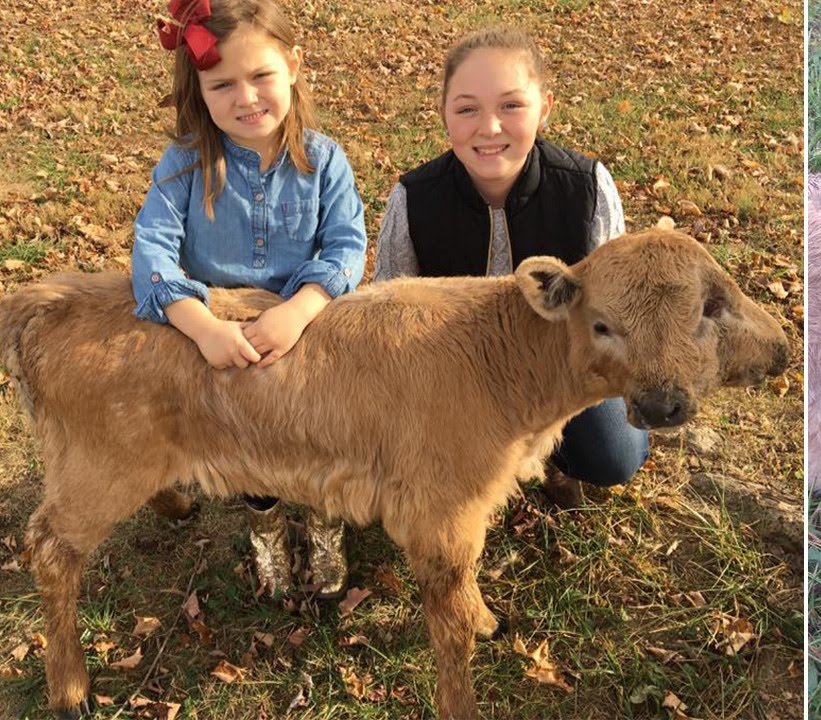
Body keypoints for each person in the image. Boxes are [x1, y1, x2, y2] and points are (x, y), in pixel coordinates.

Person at [133, 0, 366, 597]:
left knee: (321, 431)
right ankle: (264, 519)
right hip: (223, 334)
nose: (246, 98)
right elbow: (152, 251)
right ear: (199, 90)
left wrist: (300, 308)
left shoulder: (323, 160)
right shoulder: (186, 163)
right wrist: (203, 327)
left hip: (307, 325)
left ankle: (323, 516)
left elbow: (346, 245)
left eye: (261, 75)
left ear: (293, 65)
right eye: (222, 85)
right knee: (249, 437)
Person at [374, 27, 647, 507]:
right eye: (467, 109)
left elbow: (619, 305)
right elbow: (390, 314)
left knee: (614, 454)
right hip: (455, 377)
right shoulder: (415, 198)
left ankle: (560, 460)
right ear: (443, 114)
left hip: (561, 370)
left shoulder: (585, 188)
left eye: (512, 105)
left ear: (544, 107)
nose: (490, 127)